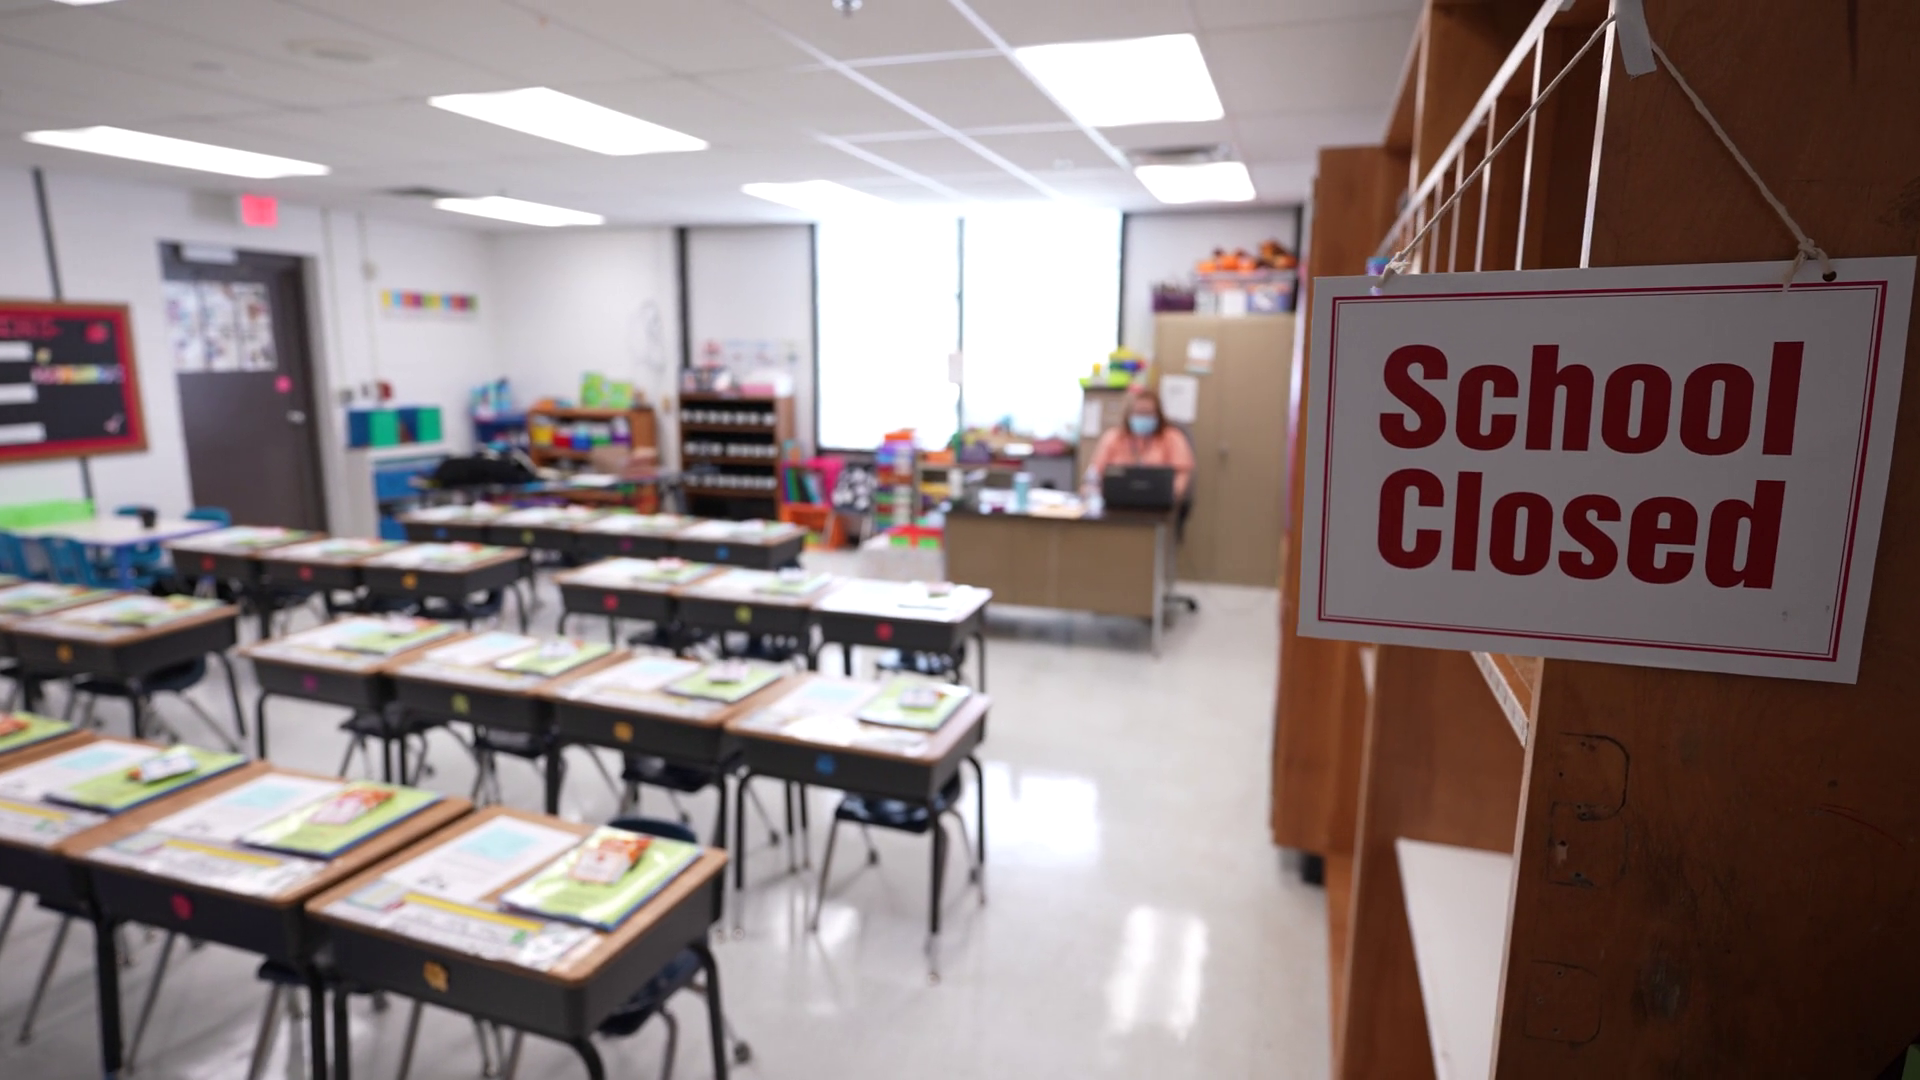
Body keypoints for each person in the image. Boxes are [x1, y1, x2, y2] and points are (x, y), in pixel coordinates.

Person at [1084, 386, 1194, 500]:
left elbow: (1182, 475)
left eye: (1148, 413)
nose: (1143, 417)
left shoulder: (1172, 437)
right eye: (1139, 413)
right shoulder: (1114, 437)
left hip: (1157, 505)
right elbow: (1093, 475)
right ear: (1129, 415)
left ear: (1158, 415)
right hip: (1116, 504)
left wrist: (1169, 496)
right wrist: (1092, 492)